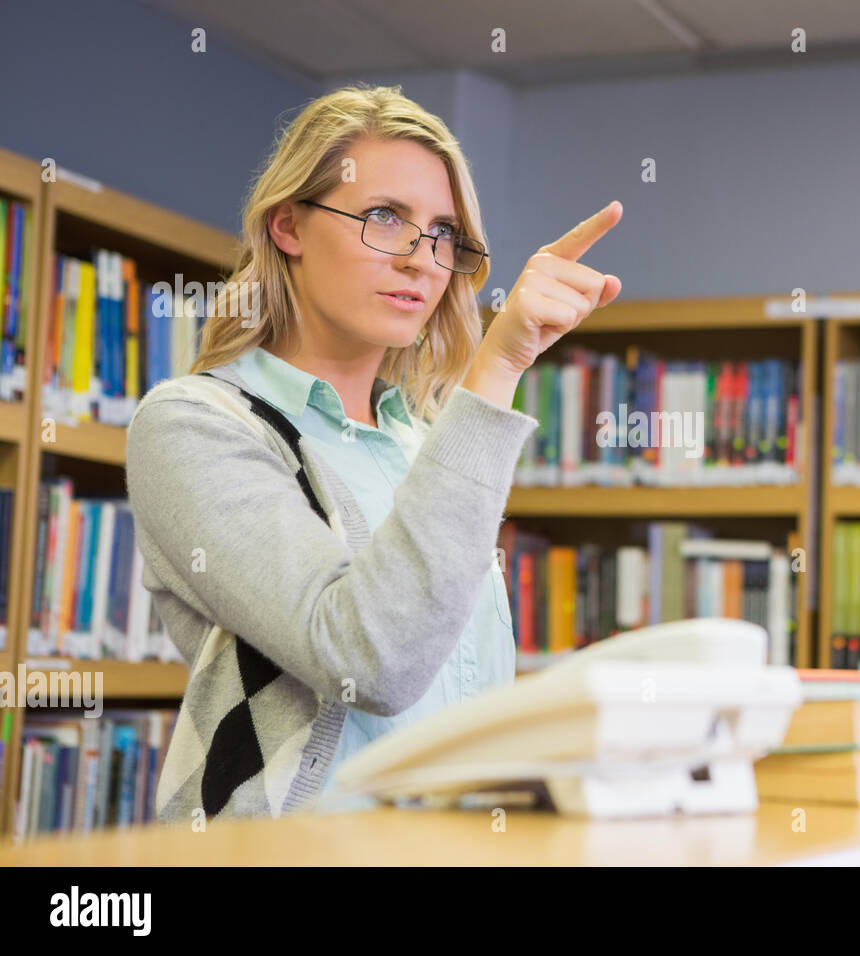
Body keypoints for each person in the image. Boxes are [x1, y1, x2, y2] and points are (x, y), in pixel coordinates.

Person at [124, 84, 622, 822]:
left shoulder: (424, 443)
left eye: (445, 231)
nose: (424, 259)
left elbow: (477, 691)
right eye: (385, 217)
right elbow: (369, 662)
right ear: (288, 225)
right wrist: (497, 369)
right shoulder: (194, 424)